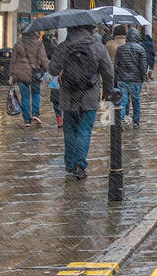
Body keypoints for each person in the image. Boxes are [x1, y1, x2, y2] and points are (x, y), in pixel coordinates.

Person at [49, 22, 115, 180]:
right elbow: (108, 73)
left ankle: (70, 164)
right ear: (90, 29)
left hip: (68, 95)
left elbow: (52, 69)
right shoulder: (98, 47)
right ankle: (80, 165)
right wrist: (106, 94)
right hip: (89, 96)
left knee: (70, 131)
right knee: (84, 131)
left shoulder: (64, 46)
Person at [8, 27, 49, 127]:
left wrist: (11, 76)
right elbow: (43, 59)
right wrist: (49, 70)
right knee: (36, 94)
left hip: (21, 74)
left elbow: (13, 61)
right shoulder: (38, 43)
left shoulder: (18, 44)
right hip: (35, 74)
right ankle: (35, 114)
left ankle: (27, 120)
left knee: (25, 97)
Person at [114, 27, 146, 127]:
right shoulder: (141, 49)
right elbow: (143, 66)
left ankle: (120, 121)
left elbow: (116, 66)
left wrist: (118, 77)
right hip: (136, 80)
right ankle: (136, 122)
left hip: (123, 79)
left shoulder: (120, 49)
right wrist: (142, 78)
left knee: (123, 101)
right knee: (136, 101)